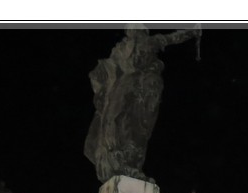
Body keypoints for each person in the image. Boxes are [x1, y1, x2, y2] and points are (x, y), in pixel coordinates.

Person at [84, 25, 202, 183]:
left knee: (137, 131)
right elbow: (101, 73)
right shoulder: (120, 50)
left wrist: (192, 31)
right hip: (122, 93)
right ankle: (120, 166)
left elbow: (172, 38)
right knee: (118, 128)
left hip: (140, 94)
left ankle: (130, 167)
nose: (131, 30)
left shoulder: (147, 42)